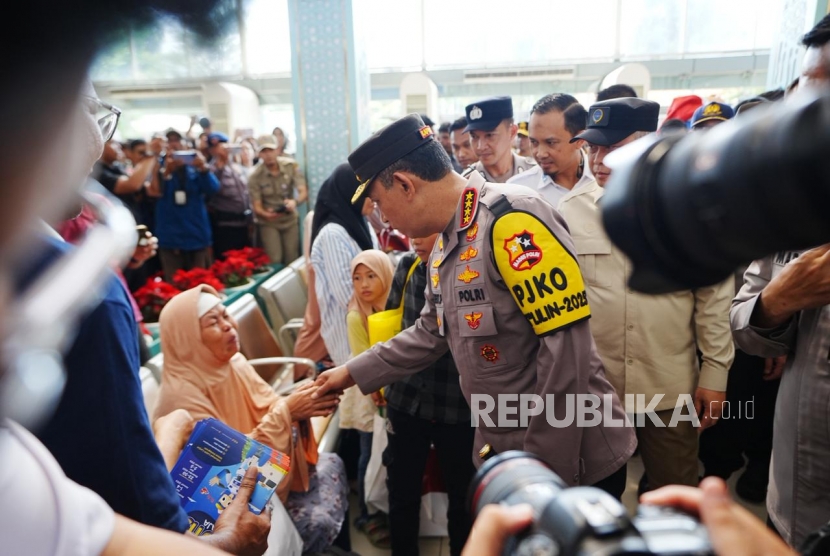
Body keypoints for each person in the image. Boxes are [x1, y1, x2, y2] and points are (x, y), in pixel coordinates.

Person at [313, 114, 636, 499]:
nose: (385, 218)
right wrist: (350, 372)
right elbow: (431, 330)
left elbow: (567, 351)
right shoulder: (447, 242)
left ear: (405, 185)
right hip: (506, 447)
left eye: (381, 203)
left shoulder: (512, 220)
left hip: (566, 459)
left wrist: (541, 473)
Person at [558, 97, 735, 493]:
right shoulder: (570, 213)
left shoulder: (688, 209)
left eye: (612, 147)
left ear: (646, 143)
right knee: (596, 494)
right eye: (592, 147)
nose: (598, 159)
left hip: (669, 385)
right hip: (596, 389)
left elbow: (713, 299)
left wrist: (715, 373)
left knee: (676, 491)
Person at [154, 285, 350, 553]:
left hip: (263, 472)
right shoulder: (181, 396)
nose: (228, 326)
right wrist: (287, 412)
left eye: (226, 315)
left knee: (332, 465)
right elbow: (223, 467)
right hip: (225, 504)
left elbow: (270, 406)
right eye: (214, 321)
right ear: (187, 338)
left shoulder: (234, 363)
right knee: (318, 520)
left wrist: (302, 400)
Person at [383, 234, 475, 556]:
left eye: (424, 233)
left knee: (462, 496)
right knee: (402, 491)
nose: (415, 240)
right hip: (406, 398)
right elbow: (391, 323)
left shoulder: (469, 269)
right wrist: (381, 378)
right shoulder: (407, 266)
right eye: (412, 234)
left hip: (458, 404)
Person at [345, 249, 395, 547]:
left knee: (386, 453)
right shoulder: (356, 315)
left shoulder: (393, 304)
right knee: (368, 453)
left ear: (386, 275)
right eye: (357, 278)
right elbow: (362, 358)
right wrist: (377, 390)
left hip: (390, 386)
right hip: (368, 390)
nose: (363, 284)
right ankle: (366, 514)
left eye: (371, 275)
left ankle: (384, 506)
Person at [149, 129, 219, 281]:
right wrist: (166, 171)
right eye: (170, 140)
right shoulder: (157, 166)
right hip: (170, 236)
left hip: (197, 233)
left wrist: (204, 169)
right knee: (174, 285)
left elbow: (213, 189)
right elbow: (154, 191)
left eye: (177, 140)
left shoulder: (195, 165)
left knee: (201, 282)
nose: (174, 144)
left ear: (186, 145)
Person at [507, 94, 594, 207]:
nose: (540, 153)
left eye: (551, 143)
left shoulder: (607, 184)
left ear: (580, 140)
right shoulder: (517, 192)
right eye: (534, 142)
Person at [248, 136, 308, 265]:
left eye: (270, 150)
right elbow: (257, 206)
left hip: (289, 219)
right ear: (259, 154)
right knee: (274, 259)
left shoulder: (290, 166)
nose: (268, 154)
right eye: (264, 151)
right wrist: (266, 213)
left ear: (277, 150)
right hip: (269, 223)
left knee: (292, 259)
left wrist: (294, 202)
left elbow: (303, 191)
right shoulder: (255, 176)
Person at [465, 96, 535, 183]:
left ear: (512, 132)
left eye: (489, 135)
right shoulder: (466, 183)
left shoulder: (535, 174)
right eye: (474, 137)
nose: (481, 147)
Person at [207, 132, 252, 258]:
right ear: (211, 150)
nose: (222, 150)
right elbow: (213, 190)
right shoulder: (210, 170)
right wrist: (220, 164)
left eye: (224, 146)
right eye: (217, 147)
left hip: (243, 224)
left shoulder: (237, 168)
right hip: (224, 227)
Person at [93, 138, 157, 222]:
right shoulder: (97, 171)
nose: (118, 146)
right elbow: (132, 185)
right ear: (100, 145)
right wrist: (150, 156)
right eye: (113, 143)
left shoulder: (117, 167)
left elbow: (153, 191)